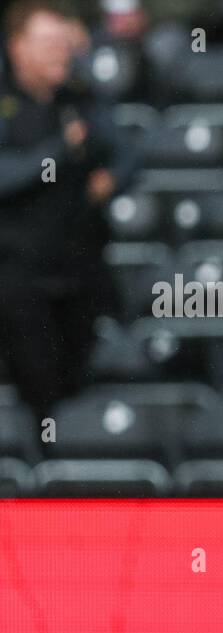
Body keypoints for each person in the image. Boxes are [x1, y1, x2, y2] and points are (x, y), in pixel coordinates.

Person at [0, 0, 133, 421]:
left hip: (82, 271)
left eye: (64, 41)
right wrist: (59, 152)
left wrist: (111, 178)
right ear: (18, 48)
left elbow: (127, 151)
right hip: (22, 281)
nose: (60, 52)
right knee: (41, 394)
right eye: (48, 43)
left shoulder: (81, 96)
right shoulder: (6, 103)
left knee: (85, 388)